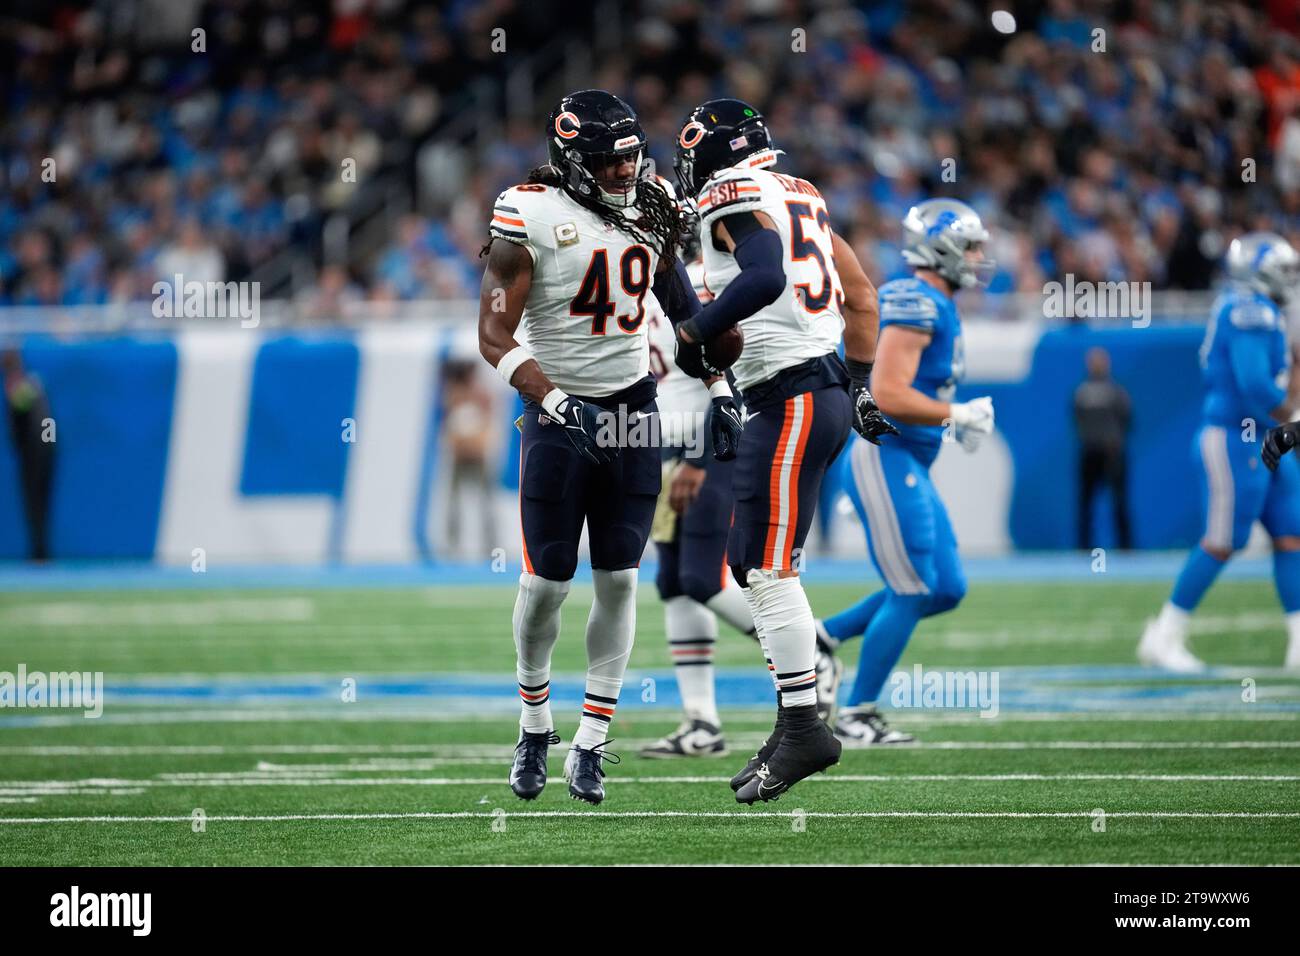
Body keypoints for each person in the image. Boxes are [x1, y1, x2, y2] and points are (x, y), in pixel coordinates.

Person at [477, 90, 742, 805]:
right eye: (609, 160)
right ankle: (535, 727)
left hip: (633, 410)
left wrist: (719, 388)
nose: (625, 171)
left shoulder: (651, 205)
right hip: (558, 413)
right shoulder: (527, 210)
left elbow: (685, 315)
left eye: (631, 155)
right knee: (546, 585)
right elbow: (493, 337)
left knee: (620, 579)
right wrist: (556, 403)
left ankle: (591, 743)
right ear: (573, 161)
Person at [671, 98, 897, 803]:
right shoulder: (800, 192)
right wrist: (859, 385)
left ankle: (805, 726)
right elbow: (861, 296)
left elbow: (765, 274)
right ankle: (792, 722)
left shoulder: (729, 192)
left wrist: (695, 331)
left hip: (790, 391)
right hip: (822, 388)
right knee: (768, 563)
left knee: (760, 568)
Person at [813, 199, 997, 746]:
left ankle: (826, 637)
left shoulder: (939, 301)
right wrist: (955, 413)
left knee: (946, 588)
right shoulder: (913, 298)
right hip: (884, 453)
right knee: (913, 587)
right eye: (969, 245)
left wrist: (945, 418)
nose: (979, 256)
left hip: (908, 459)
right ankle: (857, 714)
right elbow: (887, 392)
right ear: (939, 249)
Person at [1139, 232, 1300, 671]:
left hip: (1267, 435)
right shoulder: (1250, 310)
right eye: (1283, 271)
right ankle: (1164, 634)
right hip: (1238, 436)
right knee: (1223, 541)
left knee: (1291, 533)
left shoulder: (1256, 309)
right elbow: (1254, 386)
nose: (1290, 279)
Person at [1073, 347, 1133, 550]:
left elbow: (1126, 419)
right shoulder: (1085, 392)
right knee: (1087, 503)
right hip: (1093, 451)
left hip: (1110, 452)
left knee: (1118, 501)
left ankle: (1125, 546)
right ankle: (1085, 546)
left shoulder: (1112, 391)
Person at [3, 348, 55, 562]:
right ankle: (40, 549)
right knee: (41, 501)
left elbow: (30, 419)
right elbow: (48, 420)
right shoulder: (35, 383)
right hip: (45, 451)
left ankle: (39, 551)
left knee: (35, 501)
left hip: (35, 454)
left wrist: (32, 446)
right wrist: (49, 444)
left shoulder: (17, 386)